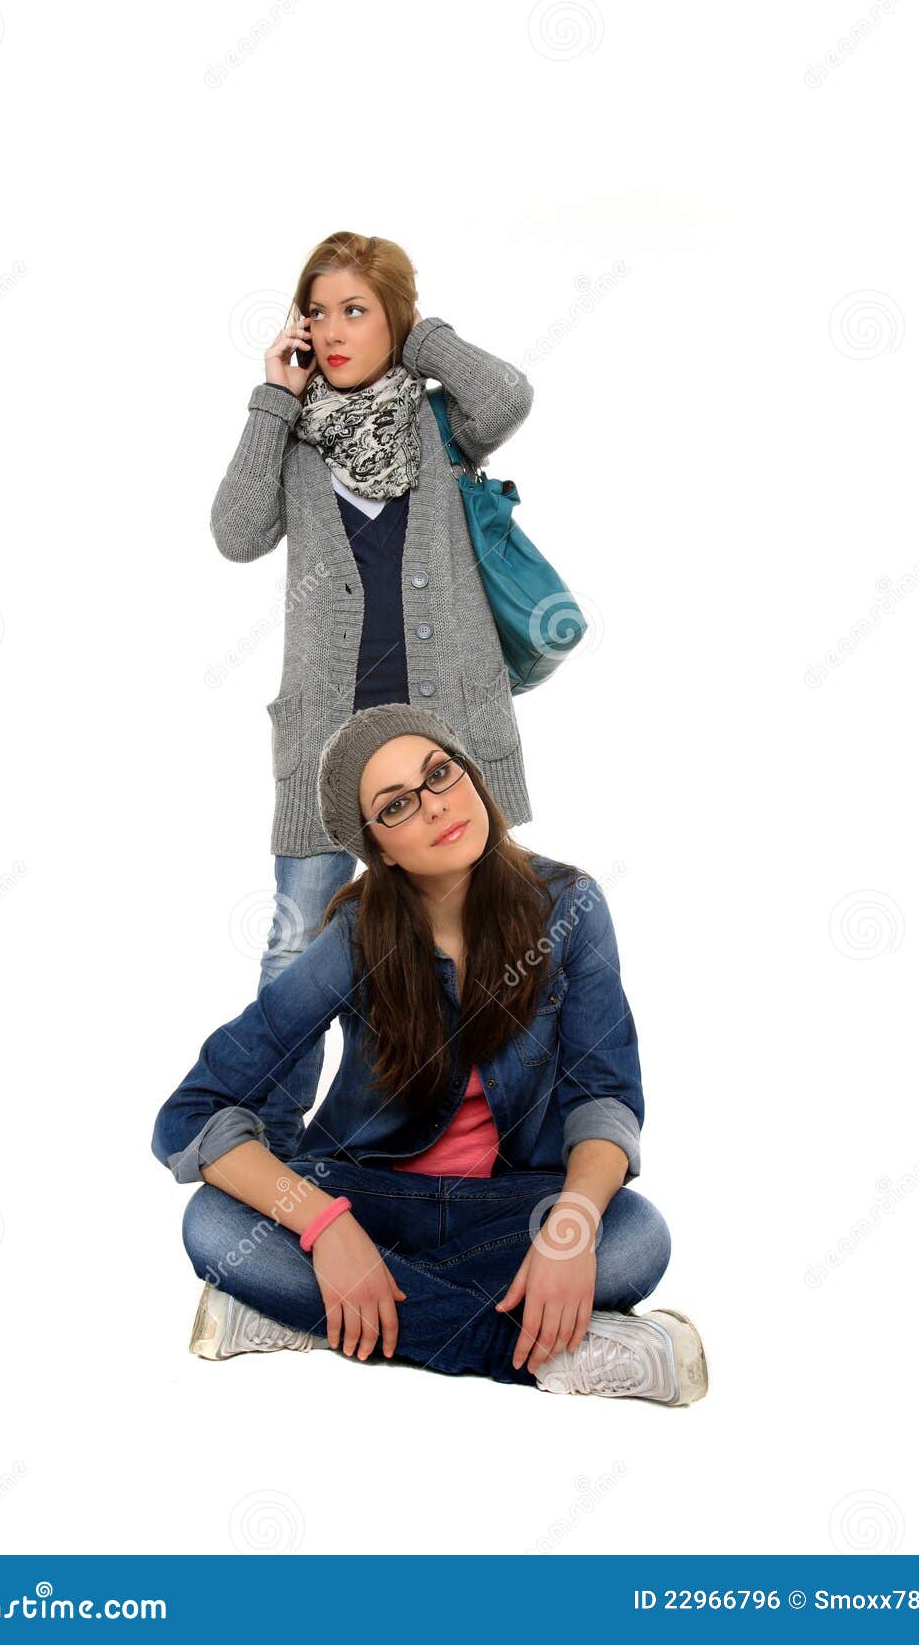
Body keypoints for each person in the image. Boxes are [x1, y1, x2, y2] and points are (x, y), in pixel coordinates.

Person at [151, 705, 708, 1402]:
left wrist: (567, 1232)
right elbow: (191, 1113)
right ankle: (548, 1354)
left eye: (439, 773)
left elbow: (604, 1097)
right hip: (367, 1201)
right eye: (397, 806)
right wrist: (326, 1228)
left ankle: (317, 1320)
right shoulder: (355, 937)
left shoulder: (571, 906)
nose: (437, 805)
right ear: (378, 848)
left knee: (635, 1236)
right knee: (211, 1222)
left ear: (470, 774)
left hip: (512, 1209)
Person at [210, 230, 537, 1151]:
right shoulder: (298, 431)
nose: (334, 329)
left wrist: (421, 335)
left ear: (394, 312)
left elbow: (507, 392)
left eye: (357, 308)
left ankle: (475, 1144)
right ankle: (268, 1144)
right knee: (294, 949)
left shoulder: (438, 422)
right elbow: (235, 533)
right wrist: (275, 397)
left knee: (474, 947)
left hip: (447, 743)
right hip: (329, 740)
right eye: (318, 311)